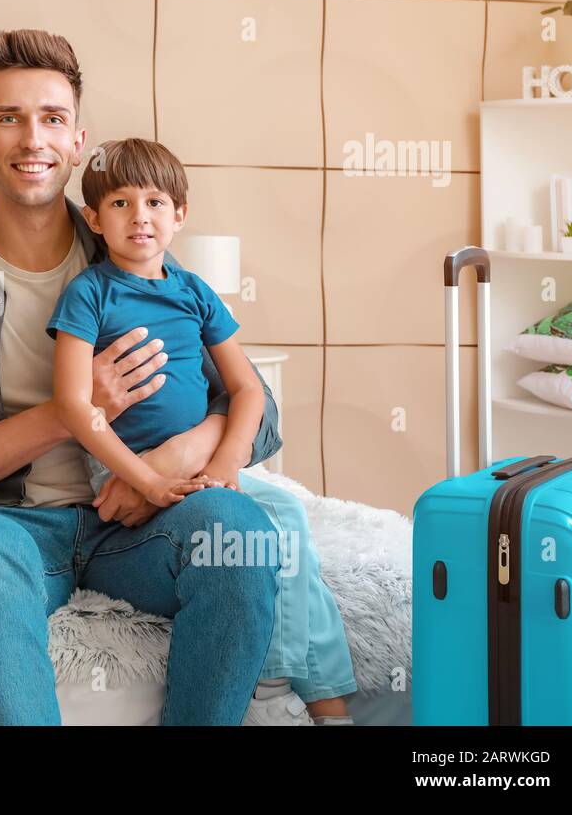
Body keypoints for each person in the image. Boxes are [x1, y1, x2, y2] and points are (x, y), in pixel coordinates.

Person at [0, 28, 287, 725]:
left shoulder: (131, 247)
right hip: (10, 526)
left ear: (76, 140)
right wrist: (73, 408)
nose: (32, 139)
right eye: (9, 119)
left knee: (238, 529)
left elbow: (259, 406)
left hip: (139, 527)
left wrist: (170, 461)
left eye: (52, 120)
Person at [49, 137, 356, 724]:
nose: (140, 216)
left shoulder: (194, 292)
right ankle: (279, 689)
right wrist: (145, 480)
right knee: (275, 523)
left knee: (284, 518)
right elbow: (71, 404)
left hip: (203, 467)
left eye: (156, 201)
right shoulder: (90, 293)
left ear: (180, 215)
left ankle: (326, 703)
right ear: (93, 217)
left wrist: (225, 465)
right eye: (119, 203)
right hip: (120, 462)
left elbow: (246, 390)